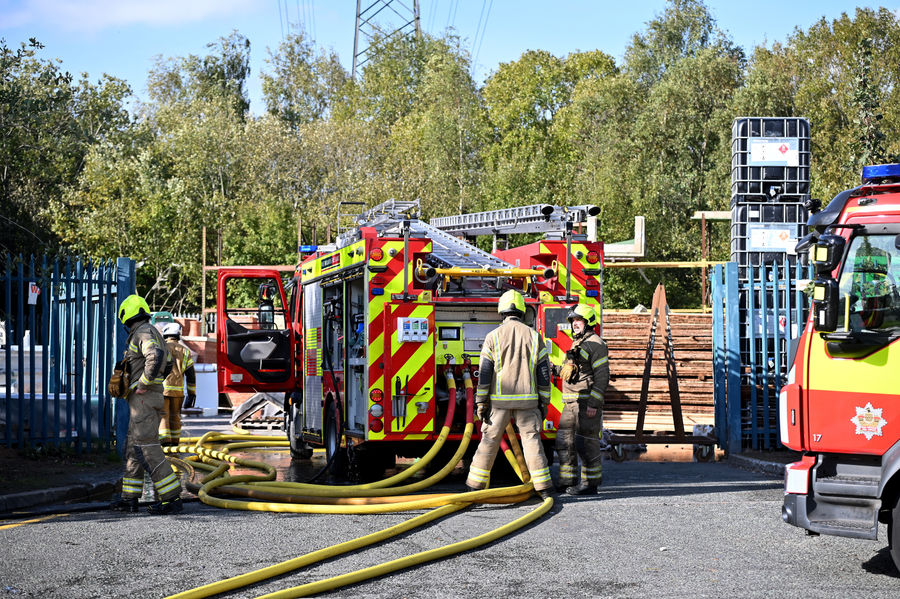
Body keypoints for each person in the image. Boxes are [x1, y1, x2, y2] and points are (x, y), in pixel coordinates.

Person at [465, 289, 555, 499]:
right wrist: (545, 401)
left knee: (489, 441)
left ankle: (473, 487)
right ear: (523, 312)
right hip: (528, 402)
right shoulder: (534, 336)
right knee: (532, 442)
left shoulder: (492, 337)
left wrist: (481, 402)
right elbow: (543, 372)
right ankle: (544, 488)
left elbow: (485, 374)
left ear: (501, 312)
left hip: (499, 403)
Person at [109, 294, 184, 515]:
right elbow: (167, 363)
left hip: (143, 398)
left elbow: (157, 356)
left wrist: (144, 383)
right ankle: (129, 498)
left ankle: (171, 498)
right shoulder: (150, 331)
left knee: (147, 448)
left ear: (126, 315)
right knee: (134, 448)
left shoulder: (142, 332)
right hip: (141, 400)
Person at [556, 303, 609, 495]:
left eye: (578, 320)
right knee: (564, 442)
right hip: (571, 402)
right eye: (573, 321)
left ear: (588, 322)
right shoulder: (577, 342)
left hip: (586, 402)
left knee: (586, 444)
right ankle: (567, 480)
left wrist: (594, 403)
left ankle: (590, 484)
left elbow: (602, 376)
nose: (574, 324)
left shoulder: (597, 344)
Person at [158, 322, 197, 446]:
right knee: (175, 417)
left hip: (162, 391)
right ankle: (175, 443)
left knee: (163, 416)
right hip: (178, 392)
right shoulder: (185, 351)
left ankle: (165, 443)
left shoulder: (161, 348)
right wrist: (191, 394)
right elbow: (191, 375)